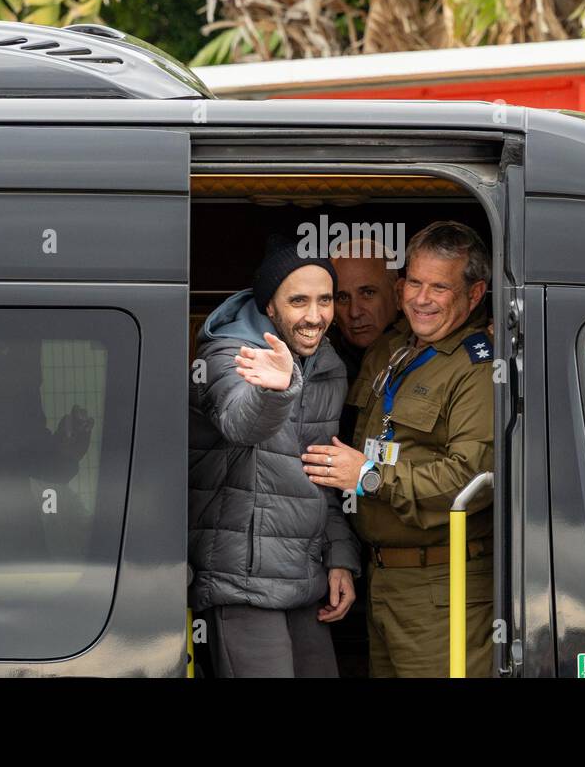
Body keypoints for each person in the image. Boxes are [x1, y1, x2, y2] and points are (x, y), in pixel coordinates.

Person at [303, 220, 495, 677]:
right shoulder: (392, 348)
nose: (421, 298)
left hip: (443, 589)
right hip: (383, 581)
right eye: (413, 282)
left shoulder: (479, 368)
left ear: (474, 294)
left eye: (439, 287)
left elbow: (470, 481)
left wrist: (369, 475)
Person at [188, 235, 360, 677]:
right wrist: (279, 390)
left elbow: (324, 472)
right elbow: (241, 423)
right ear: (269, 307)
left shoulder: (328, 365)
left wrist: (339, 556)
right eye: (298, 300)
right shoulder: (228, 354)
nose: (315, 315)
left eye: (325, 300)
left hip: (302, 579)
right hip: (240, 581)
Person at [329, 239, 407, 444]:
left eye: (368, 293)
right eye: (342, 298)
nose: (354, 312)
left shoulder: (422, 353)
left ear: (398, 294)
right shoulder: (317, 358)